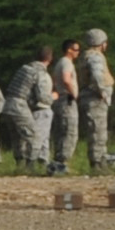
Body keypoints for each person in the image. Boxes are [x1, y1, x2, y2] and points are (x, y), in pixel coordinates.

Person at [4, 45, 54, 173]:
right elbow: (42, 96)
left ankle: (19, 165)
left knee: (17, 138)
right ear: (49, 59)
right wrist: (53, 98)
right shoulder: (40, 72)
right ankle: (30, 166)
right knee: (35, 136)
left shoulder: (24, 68)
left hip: (7, 103)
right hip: (19, 104)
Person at [79, 27, 115, 170]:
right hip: (95, 99)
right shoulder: (95, 56)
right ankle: (97, 163)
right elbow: (96, 75)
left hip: (90, 98)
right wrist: (102, 91)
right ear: (102, 43)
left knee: (97, 130)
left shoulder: (86, 55)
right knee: (98, 131)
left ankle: (99, 161)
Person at [49, 37, 82, 176]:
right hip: (67, 100)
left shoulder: (59, 63)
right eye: (76, 50)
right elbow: (66, 79)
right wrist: (73, 93)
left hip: (60, 100)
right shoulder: (67, 63)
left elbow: (54, 79)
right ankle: (63, 163)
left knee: (61, 131)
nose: (78, 52)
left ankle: (58, 163)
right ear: (69, 50)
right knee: (70, 132)